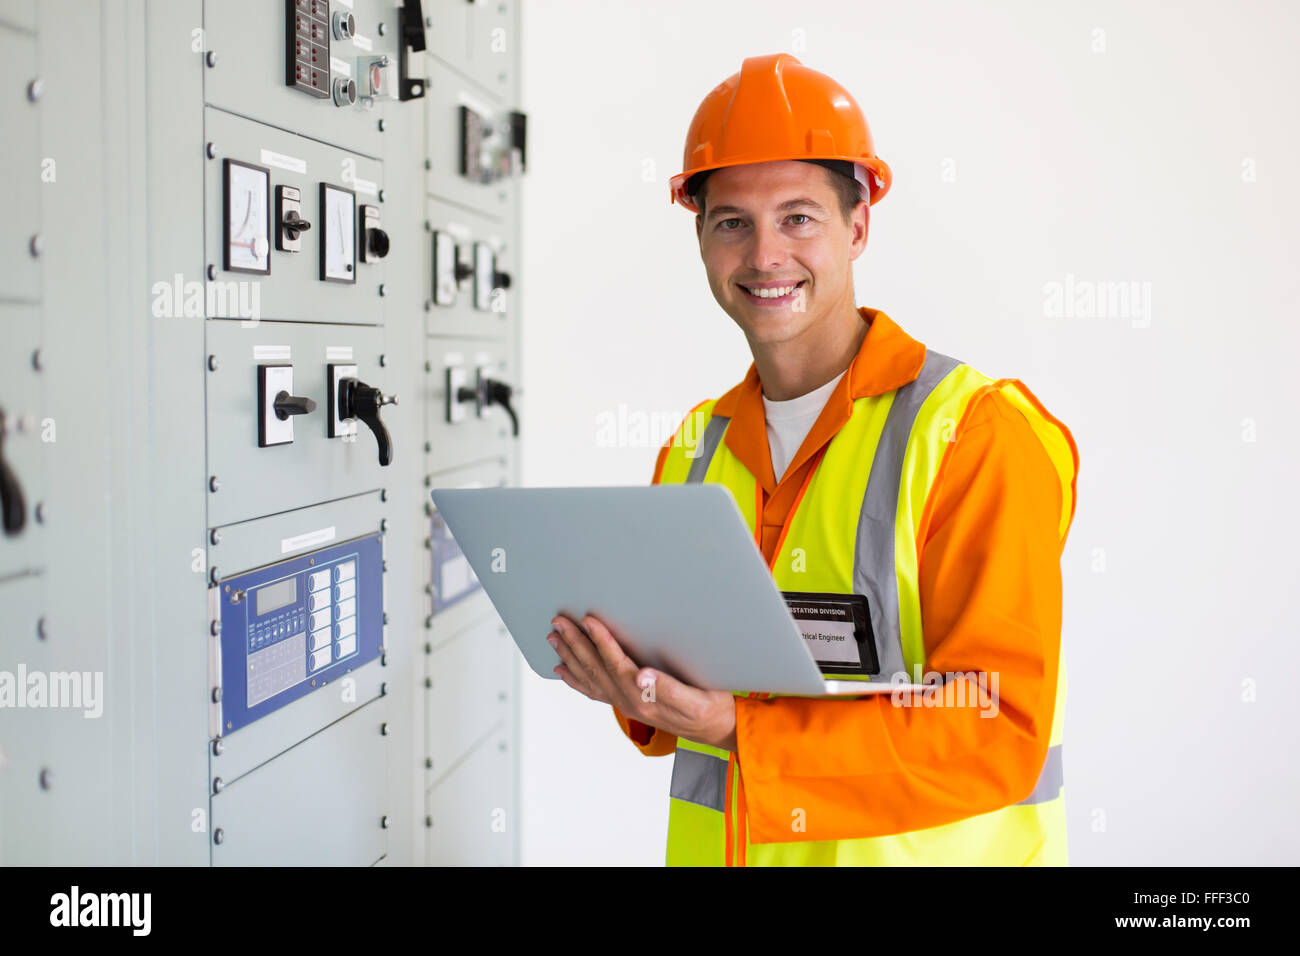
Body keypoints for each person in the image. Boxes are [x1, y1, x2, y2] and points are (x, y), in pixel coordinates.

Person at [545, 53, 1079, 866]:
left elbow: (994, 725)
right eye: (733, 222)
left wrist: (737, 728)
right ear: (700, 238)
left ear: (857, 226)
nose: (764, 256)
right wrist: (631, 686)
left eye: (798, 217)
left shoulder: (974, 432)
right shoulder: (696, 448)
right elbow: (683, 708)